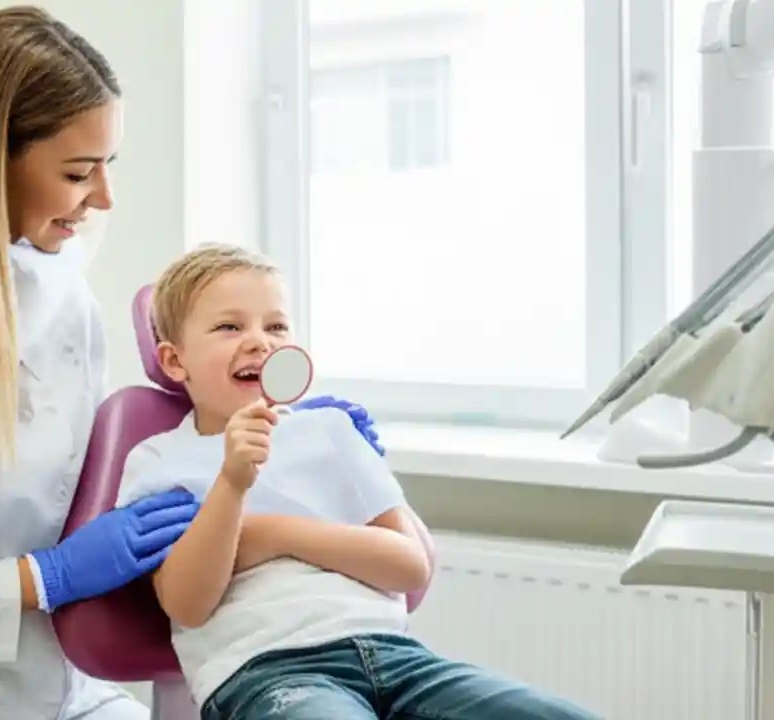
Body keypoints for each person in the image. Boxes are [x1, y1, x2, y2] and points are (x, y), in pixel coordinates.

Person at [0, 8, 380, 720]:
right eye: (79, 173)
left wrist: (294, 440)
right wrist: (42, 578)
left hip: (51, 682)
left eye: (106, 166)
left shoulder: (62, 287)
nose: (103, 200)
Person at [114, 243, 603, 720]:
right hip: (267, 674)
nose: (260, 341)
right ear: (175, 361)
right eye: (229, 326)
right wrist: (232, 483)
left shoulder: (329, 432)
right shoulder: (159, 459)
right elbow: (187, 604)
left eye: (277, 325)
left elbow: (409, 567)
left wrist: (274, 534)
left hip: (397, 659)